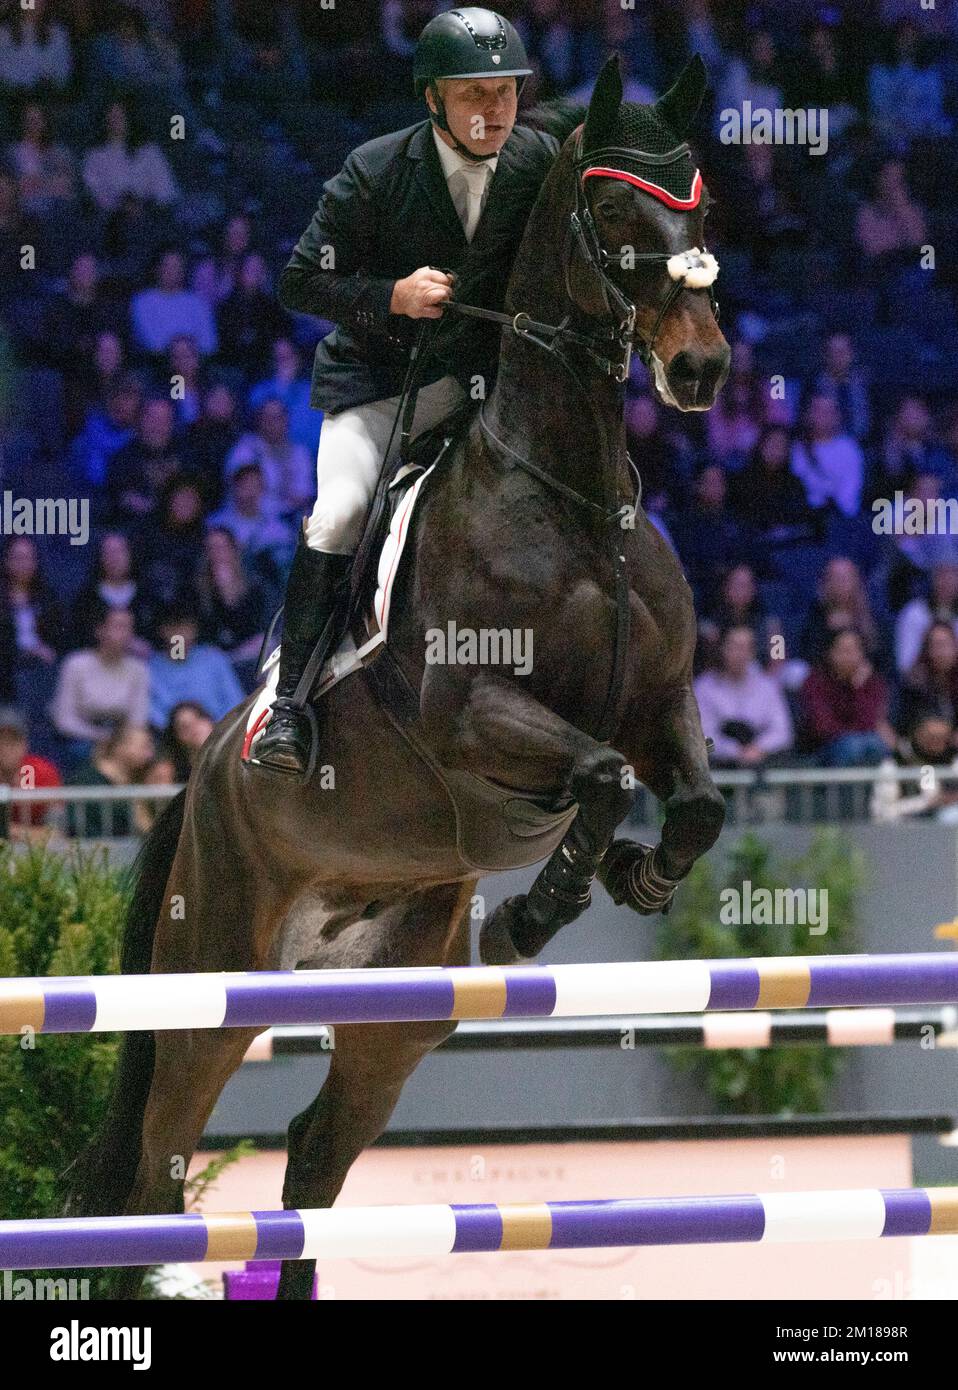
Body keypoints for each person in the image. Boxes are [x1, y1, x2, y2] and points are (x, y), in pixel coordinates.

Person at [253, 7, 558, 776]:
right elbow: (298, 281)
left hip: (481, 395)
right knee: (343, 513)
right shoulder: (376, 170)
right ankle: (289, 706)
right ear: (434, 100)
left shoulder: (536, 162)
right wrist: (390, 295)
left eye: (506, 94)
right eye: (473, 95)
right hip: (381, 387)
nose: (494, 112)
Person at [50, 605, 149, 768]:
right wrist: (101, 737)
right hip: (81, 740)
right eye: (118, 626)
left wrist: (119, 742)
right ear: (100, 630)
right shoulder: (75, 664)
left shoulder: (139, 669)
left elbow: (138, 718)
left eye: (128, 628)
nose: (124, 633)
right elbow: (64, 720)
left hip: (124, 741)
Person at [693, 626, 793, 768]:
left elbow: (783, 732)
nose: (741, 654)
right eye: (735, 647)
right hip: (717, 764)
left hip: (761, 761)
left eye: (747, 648)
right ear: (722, 649)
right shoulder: (703, 687)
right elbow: (703, 738)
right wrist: (734, 751)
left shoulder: (767, 686)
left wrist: (758, 748)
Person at [800, 628, 895, 767]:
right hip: (824, 749)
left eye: (855, 650)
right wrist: (853, 733)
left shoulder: (872, 683)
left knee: (876, 744)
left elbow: (870, 722)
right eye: (844, 650)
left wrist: (858, 688)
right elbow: (822, 728)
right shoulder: (815, 682)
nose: (850, 656)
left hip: (864, 742)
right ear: (830, 653)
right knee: (854, 745)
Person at [147, 604, 244, 729]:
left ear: (195, 630)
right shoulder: (151, 668)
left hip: (221, 734)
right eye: (175, 628)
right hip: (174, 739)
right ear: (162, 631)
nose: (181, 634)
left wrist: (214, 730)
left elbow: (236, 702)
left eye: (187, 628)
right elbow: (154, 713)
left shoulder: (215, 658)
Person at [66, 723, 156, 838]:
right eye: (144, 746)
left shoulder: (140, 779)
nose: (150, 753)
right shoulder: (86, 780)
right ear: (120, 746)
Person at [0, 705, 61, 840]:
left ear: (25, 744)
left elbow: (57, 834)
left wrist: (10, 831)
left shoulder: (43, 772)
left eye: (13, 740)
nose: (5, 747)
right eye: (1, 740)